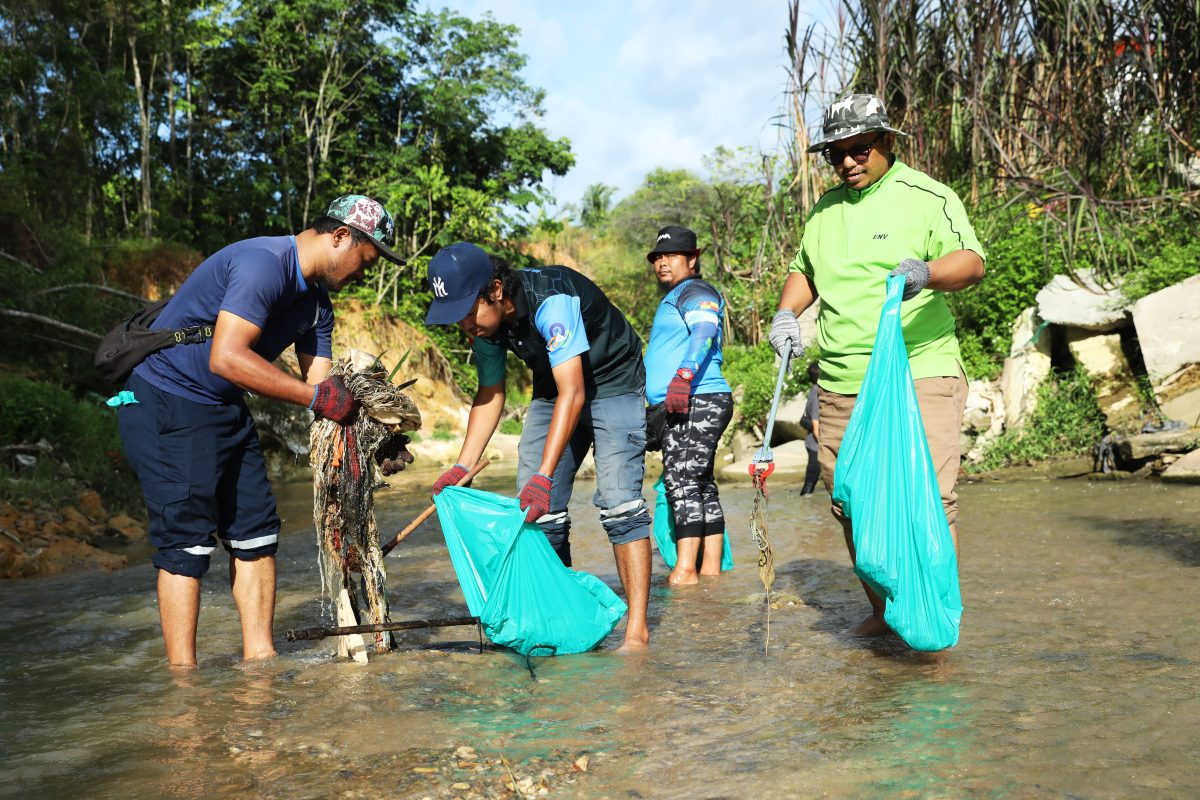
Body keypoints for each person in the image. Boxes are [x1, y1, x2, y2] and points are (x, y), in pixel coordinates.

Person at [116, 194, 410, 668]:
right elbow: (227, 357)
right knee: (186, 543)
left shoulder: (317, 305)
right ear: (339, 237)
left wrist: (374, 437)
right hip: (166, 402)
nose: (363, 273)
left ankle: (261, 669)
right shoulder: (264, 265)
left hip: (223, 406)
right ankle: (183, 687)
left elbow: (324, 389)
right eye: (365, 259)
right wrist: (317, 398)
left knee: (256, 534)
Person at [769, 93, 985, 637]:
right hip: (842, 382)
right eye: (835, 153)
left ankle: (934, 626)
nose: (847, 162)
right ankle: (886, 615)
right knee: (851, 503)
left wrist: (926, 273)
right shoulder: (824, 213)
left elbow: (971, 262)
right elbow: (805, 271)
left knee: (930, 502)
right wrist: (786, 314)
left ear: (887, 142)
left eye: (859, 149)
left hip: (919, 371)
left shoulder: (926, 196)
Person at [423, 242, 653, 651]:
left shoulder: (553, 302)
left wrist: (546, 477)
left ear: (496, 290)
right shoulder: (486, 325)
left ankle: (636, 632)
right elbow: (491, 392)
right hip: (556, 383)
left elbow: (576, 392)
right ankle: (561, 619)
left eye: (465, 310)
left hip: (613, 379)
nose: (463, 325)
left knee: (619, 502)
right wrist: (463, 467)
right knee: (535, 512)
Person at [642, 225, 733, 585]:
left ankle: (686, 570)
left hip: (696, 397)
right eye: (658, 257)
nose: (662, 263)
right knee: (700, 483)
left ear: (692, 259)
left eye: (671, 256)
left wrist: (682, 376)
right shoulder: (679, 294)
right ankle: (709, 569)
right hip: (695, 400)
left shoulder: (695, 291)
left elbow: (705, 328)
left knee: (681, 480)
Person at [801, 360, 821, 496]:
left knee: (812, 478)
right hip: (815, 445)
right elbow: (816, 427)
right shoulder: (817, 396)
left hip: (812, 443)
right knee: (811, 480)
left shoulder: (813, 391)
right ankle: (805, 501)